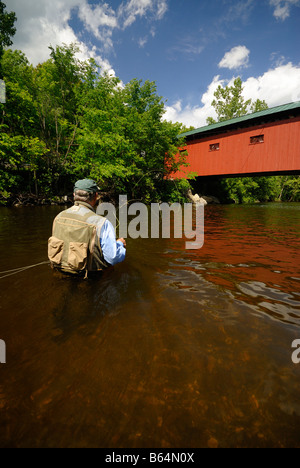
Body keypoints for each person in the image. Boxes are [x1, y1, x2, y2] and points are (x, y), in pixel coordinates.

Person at [48, 179, 126, 277]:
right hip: (90, 278)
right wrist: (119, 244)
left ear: (74, 195)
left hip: (61, 272)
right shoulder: (102, 223)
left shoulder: (58, 217)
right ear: (96, 196)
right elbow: (112, 258)